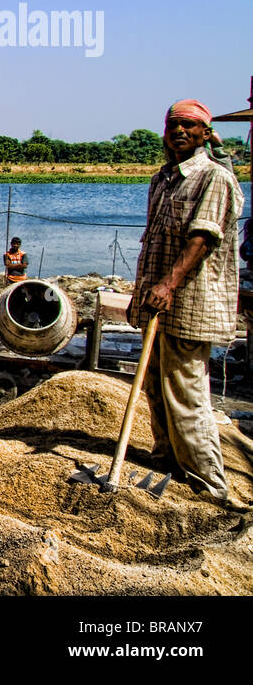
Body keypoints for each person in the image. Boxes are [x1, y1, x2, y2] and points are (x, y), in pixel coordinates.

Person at [127, 99, 246, 510]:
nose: (179, 131)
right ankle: (168, 462)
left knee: (186, 393)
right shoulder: (163, 179)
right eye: (173, 124)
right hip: (157, 302)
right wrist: (146, 291)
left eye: (189, 125)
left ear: (205, 133)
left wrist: (170, 283)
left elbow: (202, 238)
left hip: (188, 302)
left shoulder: (213, 178)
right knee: (156, 387)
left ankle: (208, 484)